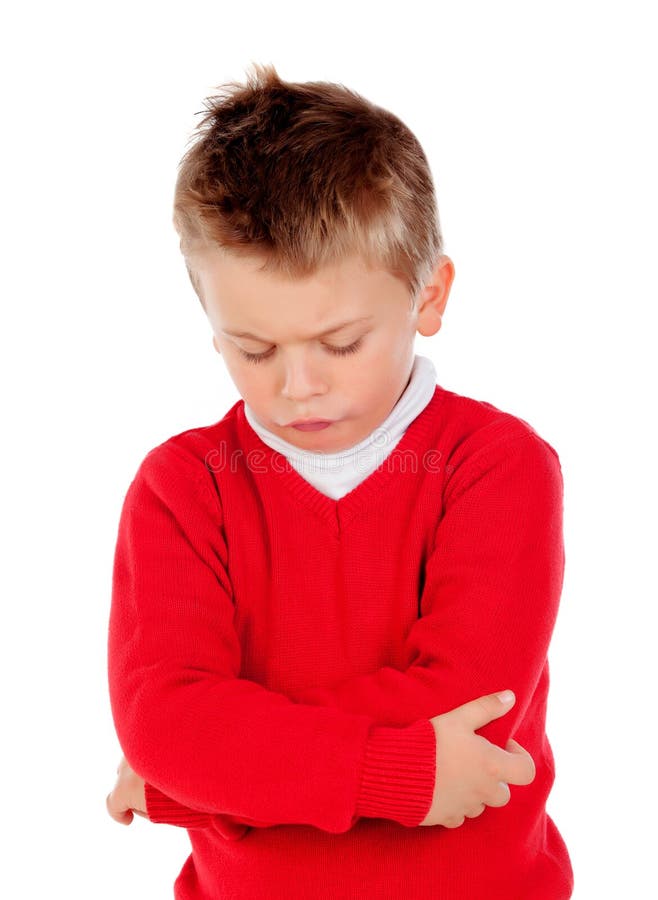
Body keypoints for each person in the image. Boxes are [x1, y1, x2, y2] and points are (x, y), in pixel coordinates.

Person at [106, 62, 574, 899]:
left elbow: (474, 705)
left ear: (428, 297)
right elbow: (166, 724)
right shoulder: (183, 487)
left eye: (342, 342)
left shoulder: (497, 466)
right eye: (254, 350)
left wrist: (203, 777)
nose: (298, 386)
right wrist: (391, 772)